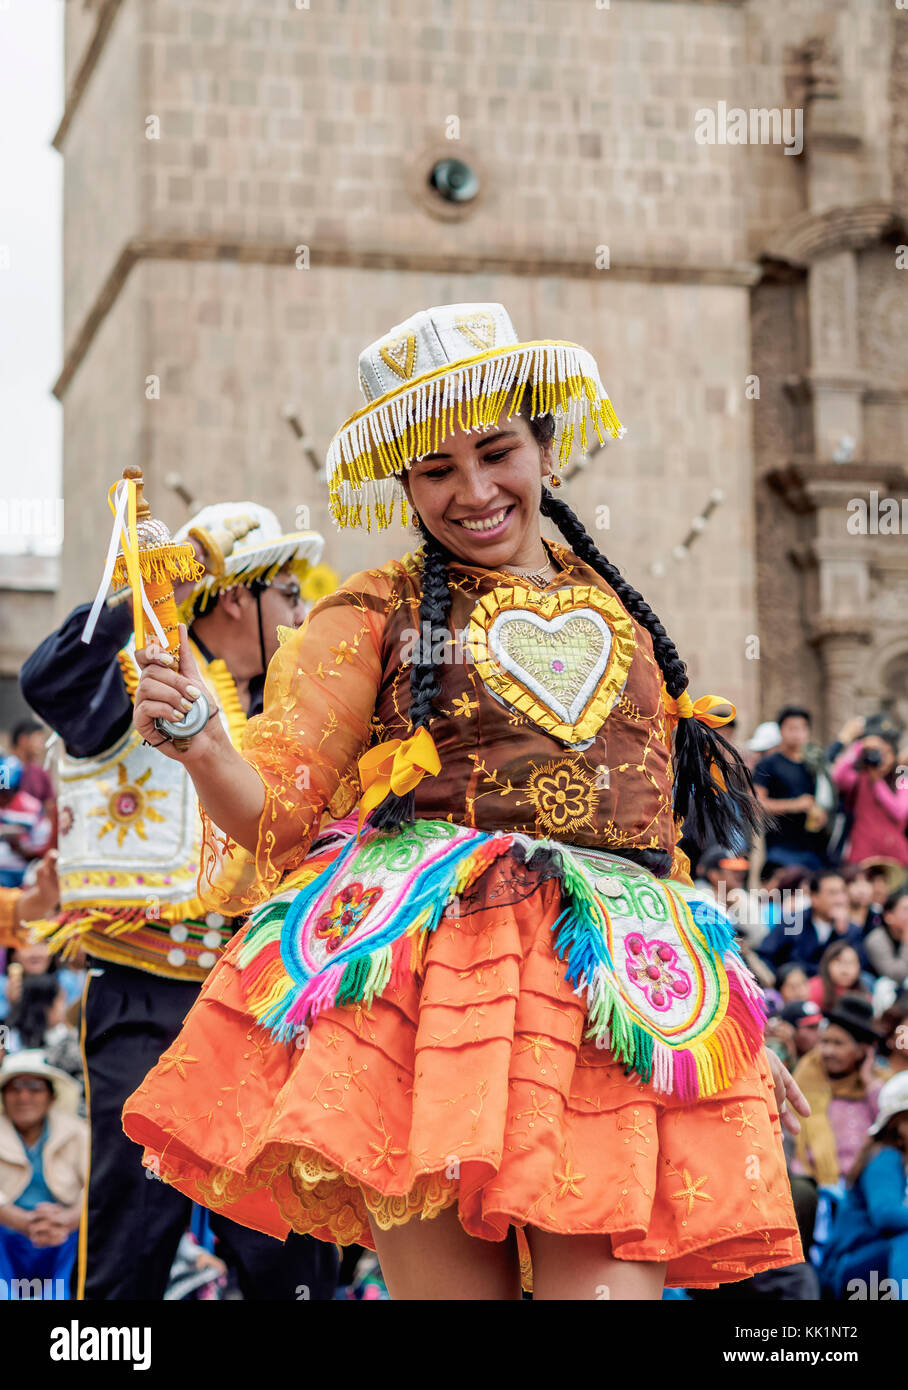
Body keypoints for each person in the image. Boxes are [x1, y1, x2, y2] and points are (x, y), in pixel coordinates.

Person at [121, 302, 807, 1300]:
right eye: (436, 470)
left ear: (547, 448)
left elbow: (657, 851)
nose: (473, 491)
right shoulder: (372, 612)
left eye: (495, 452)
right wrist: (198, 742)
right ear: (405, 483)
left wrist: (730, 1010)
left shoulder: (627, 625)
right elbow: (276, 814)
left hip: (612, 995)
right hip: (436, 1005)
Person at [19, 501, 338, 1302]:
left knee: (288, 1240)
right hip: (143, 999)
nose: (301, 613)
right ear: (237, 597)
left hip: (262, 1000)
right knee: (133, 1229)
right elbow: (46, 675)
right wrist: (163, 577)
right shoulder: (129, 684)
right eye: (288, 594)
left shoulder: (286, 713)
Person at [0, 1050, 87, 1298]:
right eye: (14, 1088)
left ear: (51, 1096)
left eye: (34, 1088)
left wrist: (69, 1219)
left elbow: (97, 1188)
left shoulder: (77, 1133)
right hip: (6, 1238)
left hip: (63, 1237)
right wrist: (18, 1220)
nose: (23, 1096)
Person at [820, 1071, 908, 1299]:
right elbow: (886, 1215)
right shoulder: (885, 1157)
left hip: (878, 1263)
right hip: (850, 1269)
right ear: (897, 1123)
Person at [792, 996, 882, 1189]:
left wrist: (869, 1082)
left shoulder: (878, 1085)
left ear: (862, 1051)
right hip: (813, 1186)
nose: (827, 1051)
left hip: (865, 1186)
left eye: (838, 1044)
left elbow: (889, 1125)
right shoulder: (806, 1079)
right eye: (825, 1042)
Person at [753, 708, 830, 871]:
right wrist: (796, 805)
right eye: (792, 728)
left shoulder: (815, 766)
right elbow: (756, 805)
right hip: (780, 851)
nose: (797, 734)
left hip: (814, 850)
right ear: (781, 731)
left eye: (802, 728)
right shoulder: (768, 764)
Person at [759, 870, 865, 976]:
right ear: (814, 898)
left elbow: (859, 968)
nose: (839, 899)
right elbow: (765, 955)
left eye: (842, 892)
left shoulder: (851, 930)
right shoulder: (792, 923)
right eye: (832, 893)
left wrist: (841, 933)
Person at [831, 726, 908, 868]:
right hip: (863, 853)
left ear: (894, 756)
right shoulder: (860, 779)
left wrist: (877, 782)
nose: (883, 758)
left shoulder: (902, 779)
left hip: (894, 855)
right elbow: (838, 776)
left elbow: (900, 812)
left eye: (887, 752)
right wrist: (859, 747)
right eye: (878, 753)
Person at [864, 887, 908, 989]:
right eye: (905, 910)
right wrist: (906, 942)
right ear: (889, 916)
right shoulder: (876, 939)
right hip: (879, 990)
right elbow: (895, 975)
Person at [807, 940, 870, 1011]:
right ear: (827, 964)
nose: (845, 970)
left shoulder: (863, 992)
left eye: (850, 962)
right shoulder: (814, 988)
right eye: (839, 962)